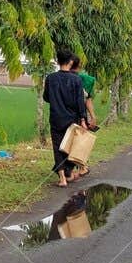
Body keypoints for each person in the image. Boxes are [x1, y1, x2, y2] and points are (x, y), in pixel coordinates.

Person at [44, 48, 89, 186]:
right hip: (72, 119)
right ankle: (69, 173)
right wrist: (83, 119)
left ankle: (63, 178)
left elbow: (46, 97)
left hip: (56, 118)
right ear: (70, 62)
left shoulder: (50, 78)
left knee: (58, 147)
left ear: (57, 61)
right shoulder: (76, 79)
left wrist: (57, 100)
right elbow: (80, 101)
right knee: (70, 146)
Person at [70, 56, 98, 129]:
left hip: (60, 119)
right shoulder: (86, 79)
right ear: (79, 66)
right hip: (79, 118)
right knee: (79, 139)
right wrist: (92, 117)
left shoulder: (56, 78)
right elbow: (87, 100)